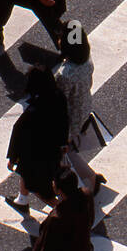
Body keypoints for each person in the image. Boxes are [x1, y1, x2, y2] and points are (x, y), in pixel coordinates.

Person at [5, 66, 69, 211]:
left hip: (35, 156)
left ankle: (65, 213)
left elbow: (18, 132)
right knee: (27, 176)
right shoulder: (59, 96)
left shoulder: (35, 109)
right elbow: (64, 121)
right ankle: (22, 200)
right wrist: (63, 143)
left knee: (41, 190)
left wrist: (12, 158)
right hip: (52, 151)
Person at [55, 21, 104, 196]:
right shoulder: (86, 59)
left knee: (65, 150)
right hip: (84, 106)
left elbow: (59, 99)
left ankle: (87, 182)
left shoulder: (65, 73)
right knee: (70, 149)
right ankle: (89, 178)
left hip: (70, 117)